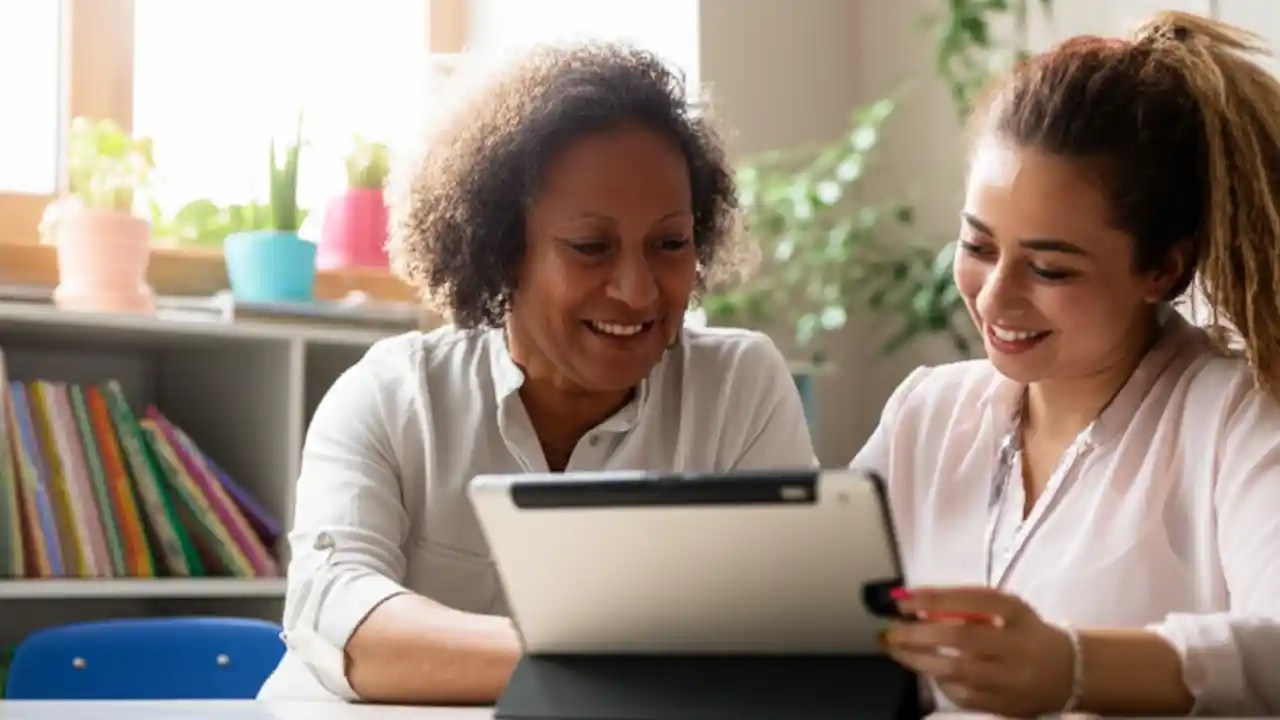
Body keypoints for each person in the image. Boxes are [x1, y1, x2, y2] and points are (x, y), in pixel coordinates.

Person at [256, 43, 818, 704]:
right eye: (590, 247)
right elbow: (343, 623)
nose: (639, 292)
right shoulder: (391, 397)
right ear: (502, 249)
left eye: (670, 243)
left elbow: (789, 632)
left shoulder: (737, 389)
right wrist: (619, 663)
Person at [855, 11, 1280, 717]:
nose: (995, 296)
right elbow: (814, 616)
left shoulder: (1234, 417)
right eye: (979, 247)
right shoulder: (925, 416)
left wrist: (1074, 668)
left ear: (1163, 270)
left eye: (1049, 268)